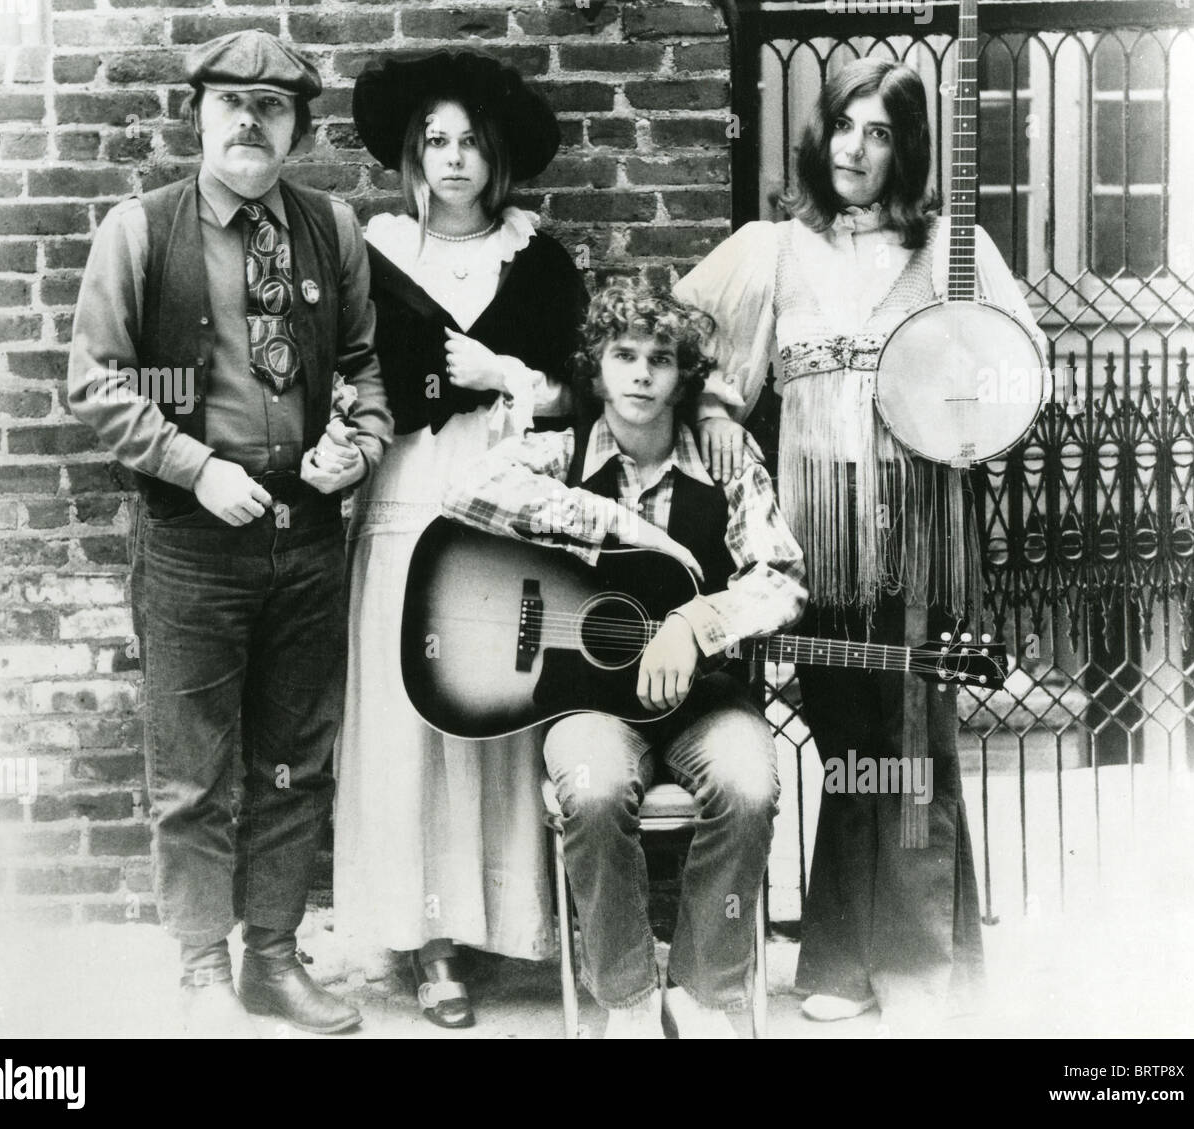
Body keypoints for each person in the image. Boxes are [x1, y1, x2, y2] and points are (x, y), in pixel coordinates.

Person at [674, 58, 1043, 1026]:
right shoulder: (774, 248)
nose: (855, 147)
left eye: (879, 132)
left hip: (916, 525)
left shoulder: (947, 252)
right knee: (851, 744)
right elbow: (690, 351)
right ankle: (844, 953)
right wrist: (716, 410)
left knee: (911, 737)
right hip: (814, 540)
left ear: (904, 149)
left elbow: (1016, 366)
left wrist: (964, 410)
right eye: (844, 124)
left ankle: (913, 966)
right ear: (819, 131)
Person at [67, 29, 392, 1036]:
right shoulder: (142, 230)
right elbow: (94, 382)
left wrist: (360, 447)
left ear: (299, 126)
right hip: (192, 541)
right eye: (230, 105)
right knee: (196, 766)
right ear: (197, 116)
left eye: (274, 107)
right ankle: (203, 966)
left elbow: (365, 369)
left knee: (296, 757)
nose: (250, 122)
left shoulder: (330, 229)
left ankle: (274, 957)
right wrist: (193, 465)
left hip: (304, 537)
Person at [442, 284, 809, 1037]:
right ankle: (630, 995)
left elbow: (781, 578)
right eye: (623, 356)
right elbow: (466, 490)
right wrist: (615, 521)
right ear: (598, 369)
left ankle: (703, 994)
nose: (641, 374)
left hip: (708, 700)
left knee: (748, 786)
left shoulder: (726, 465)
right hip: (591, 703)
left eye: (660, 360)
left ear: (684, 377)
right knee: (594, 787)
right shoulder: (562, 452)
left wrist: (696, 621)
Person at [324, 51, 589, 1029]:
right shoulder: (376, 252)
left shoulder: (540, 259)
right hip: (406, 496)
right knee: (410, 718)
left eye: (471, 141)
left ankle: (503, 927)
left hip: (504, 494)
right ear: (411, 154)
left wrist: (499, 370)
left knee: (493, 707)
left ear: (498, 156)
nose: (452, 158)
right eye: (434, 140)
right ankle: (427, 944)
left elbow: (577, 400)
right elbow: (344, 377)